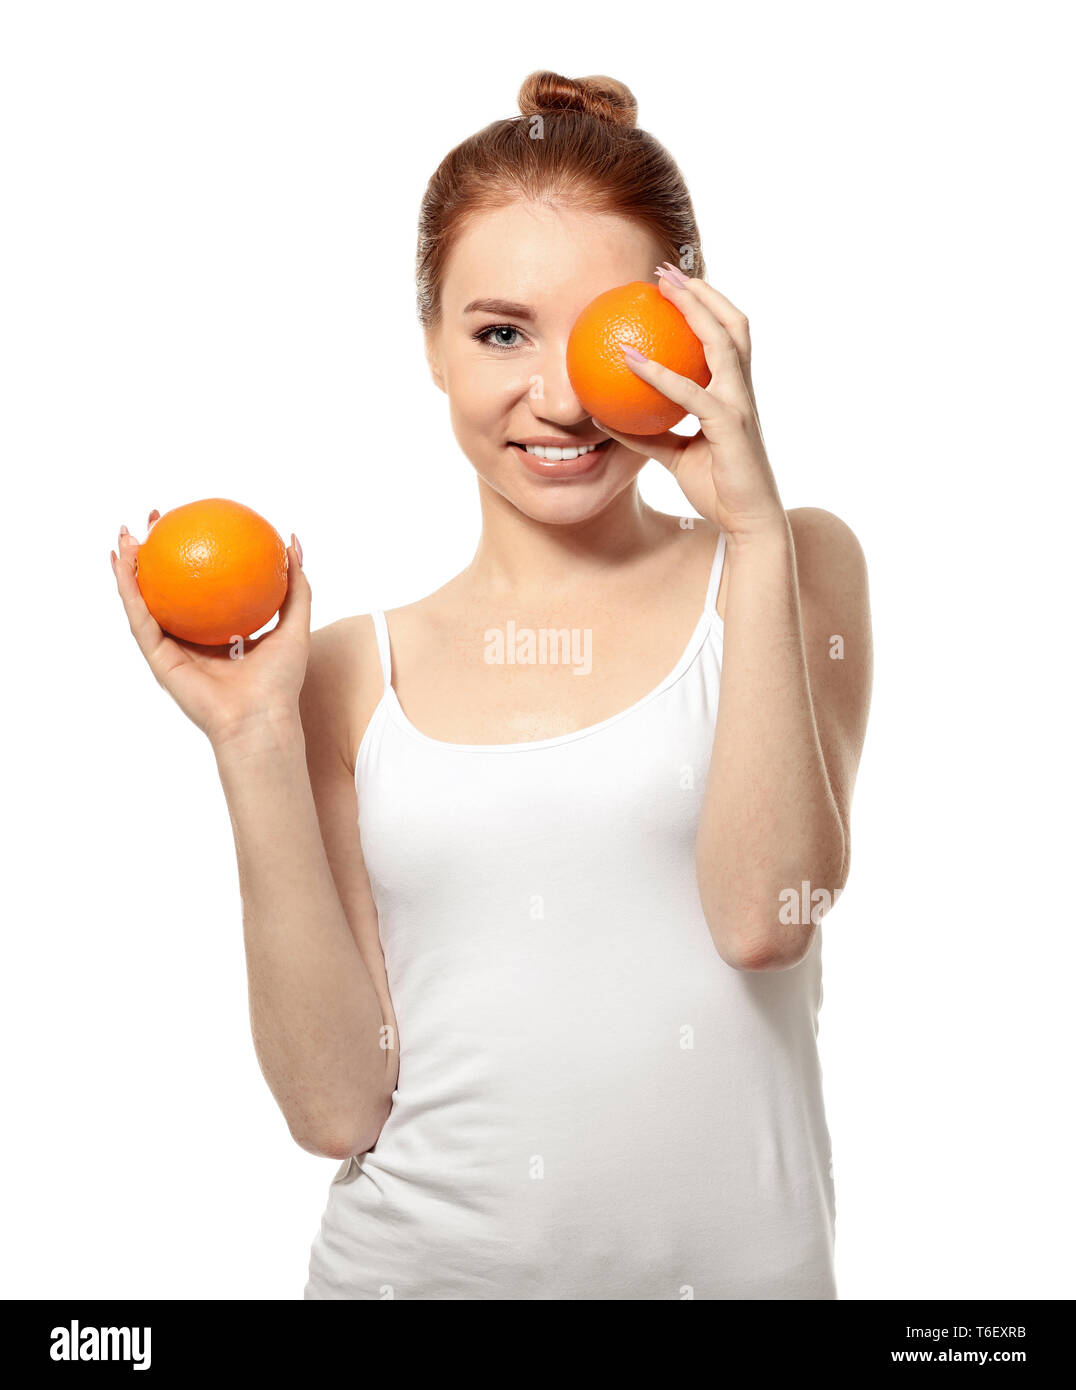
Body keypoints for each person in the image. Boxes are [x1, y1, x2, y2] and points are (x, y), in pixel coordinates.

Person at [111, 70, 873, 1300]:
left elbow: (763, 917)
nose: (561, 397)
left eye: (603, 335)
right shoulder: (350, 672)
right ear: (430, 345)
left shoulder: (792, 563)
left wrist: (754, 532)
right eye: (500, 331)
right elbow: (333, 1105)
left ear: (694, 334)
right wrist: (251, 739)